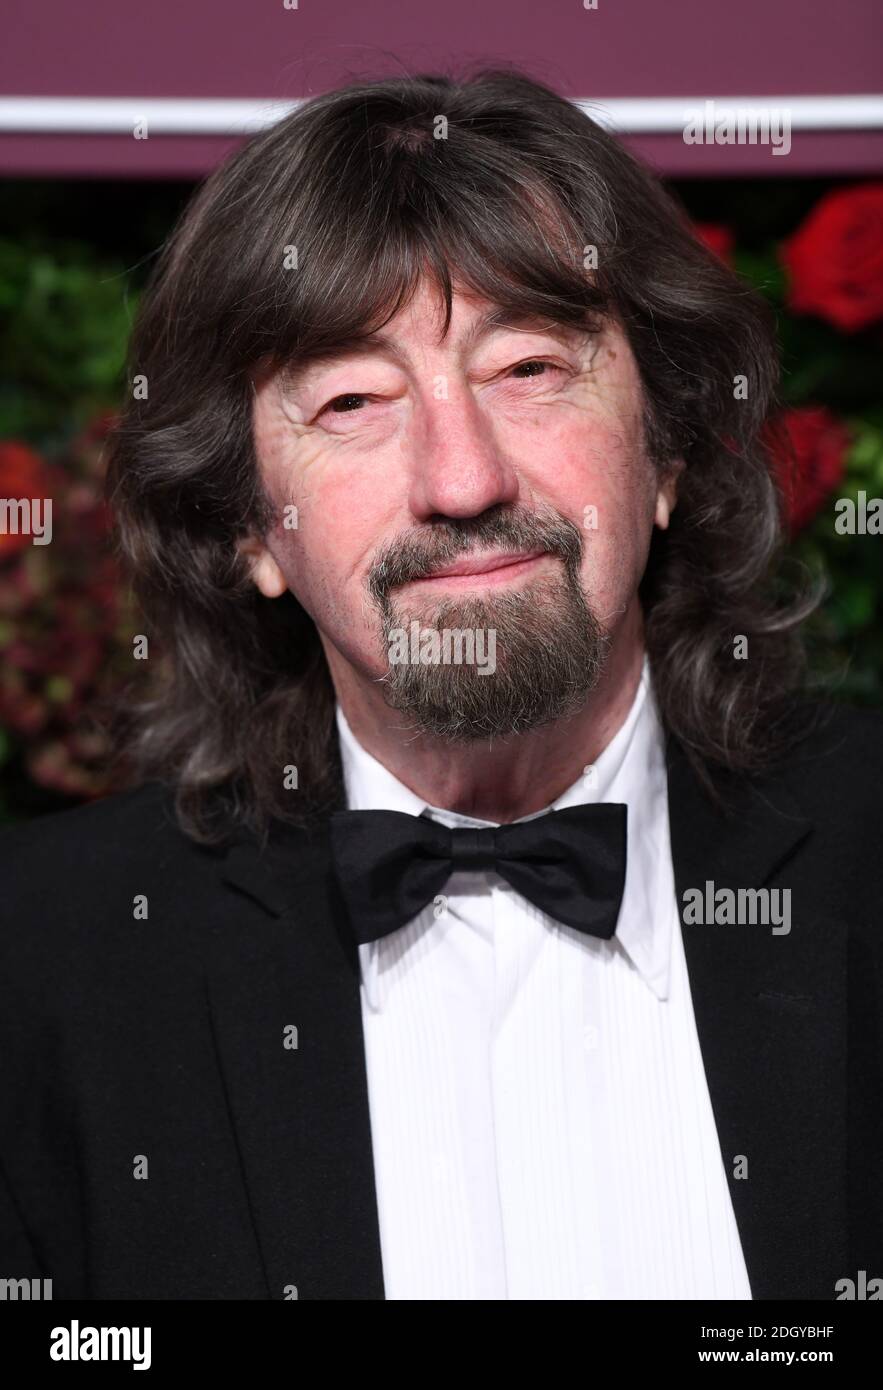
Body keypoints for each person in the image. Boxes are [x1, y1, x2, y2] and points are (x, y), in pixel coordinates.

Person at [1, 68, 881, 1302]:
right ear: (249, 528)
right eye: (352, 400)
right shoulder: (41, 969)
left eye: (527, 367)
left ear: (668, 450)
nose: (461, 479)